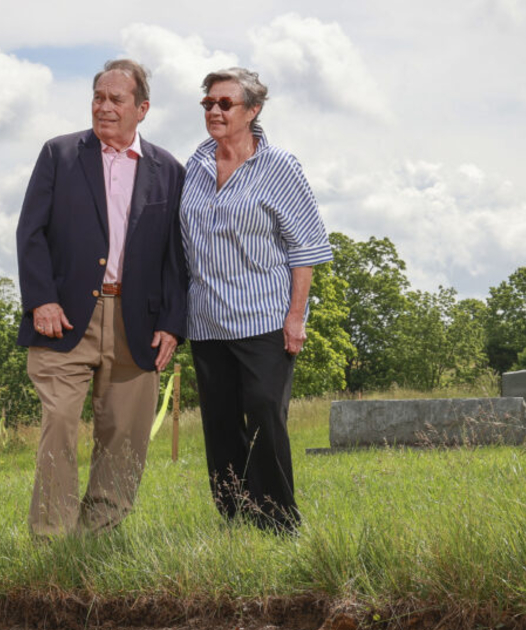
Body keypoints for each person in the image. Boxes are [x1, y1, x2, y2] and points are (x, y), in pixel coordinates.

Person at [16, 59, 187, 537]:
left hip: (137, 323)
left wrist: (172, 323)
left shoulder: (169, 170)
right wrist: (41, 300)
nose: (105, 107)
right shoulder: (59, 154)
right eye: (98, 97)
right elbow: (30, 233)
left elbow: (177, 256)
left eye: (116, 99)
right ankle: (51, 540)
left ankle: (98, 540)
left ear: (142, 108)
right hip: (64, 319)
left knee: (126, 438)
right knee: (60, 423)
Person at [180, 67, 332, 534]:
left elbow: (305, 247)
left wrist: (296, 317)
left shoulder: (280, 166)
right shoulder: (197, 164)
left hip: (265, 319)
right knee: (221, 427)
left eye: (225, 104)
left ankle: (280, 522)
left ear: (253, 110)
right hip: (207, 324)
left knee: (266, 414)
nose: (214, 111)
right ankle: (233, 517)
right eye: (208, 103)